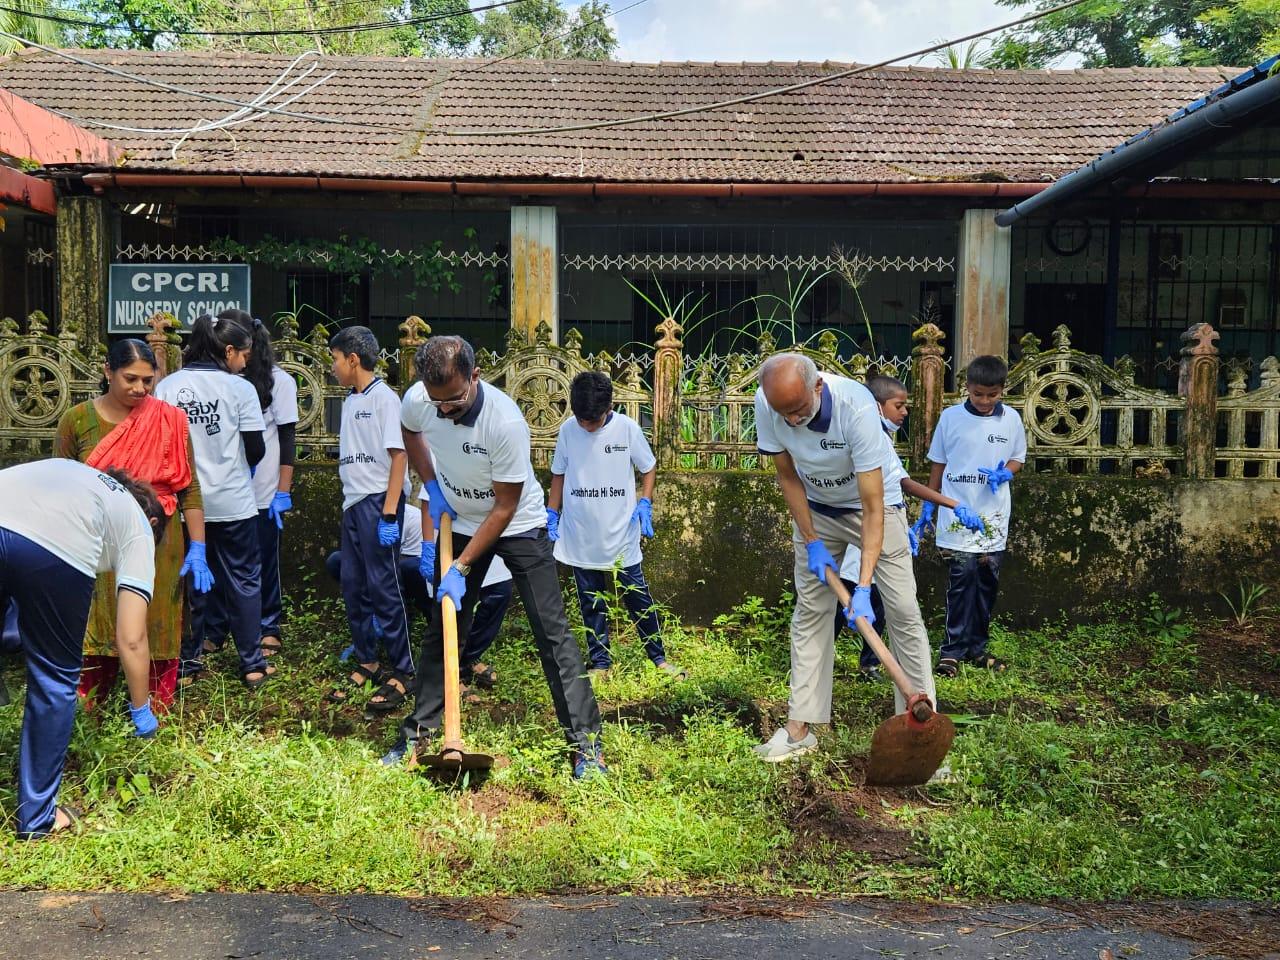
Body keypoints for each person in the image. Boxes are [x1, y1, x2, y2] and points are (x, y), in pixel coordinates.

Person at [390, 336, 605, 779]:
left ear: (475, 376)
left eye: (454, 401)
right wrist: (431, 485)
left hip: (518, 524)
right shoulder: (420, 400)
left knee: (552, 632)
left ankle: (586, 746)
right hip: (461, 519)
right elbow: (409, 431)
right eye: (436, 402)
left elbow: (504, 507)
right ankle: (419, 734)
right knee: (444, 625)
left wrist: (461, 566)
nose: (444, 411)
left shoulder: (504, 422)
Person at [750, 353, 937, 763]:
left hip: (873, 506)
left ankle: (919, 733)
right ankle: (799, 729)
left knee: (903, 610)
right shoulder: (768, 401)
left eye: (799, 410)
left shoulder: (856, 409)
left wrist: (864, 586)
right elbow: (787, 475)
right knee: (811, 610)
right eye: (784, 414)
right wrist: (812, 540)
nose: (792, 421)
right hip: (815, 509)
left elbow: (873, 507)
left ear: (817, 386)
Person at [0, 459, 165, 838]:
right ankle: (38, 820)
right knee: (55, 678)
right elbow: (132, 638)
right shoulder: (140, 526)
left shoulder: (80, 477)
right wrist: (142, 710)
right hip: (52, 547)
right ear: (154, 521)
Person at [56, 339, 212, 712]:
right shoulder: (76, 420)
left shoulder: (170, 420)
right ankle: (91, 710)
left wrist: (198, 547)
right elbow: (61, 485)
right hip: (96, 539)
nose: (140, 389)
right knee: (99, 619)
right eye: (130, 379)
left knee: (157, 622)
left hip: (159, 535)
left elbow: (189, 488)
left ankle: (155, 708)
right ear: (108, 372)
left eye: (148, 380)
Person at [832, 374, 983, 683]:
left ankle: (869, 664)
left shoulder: (883, 438)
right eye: (898, 405)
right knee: (847, 600)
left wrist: (944, 506)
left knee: (878, 602)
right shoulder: (868, 436)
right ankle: (824, 659)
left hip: (886, 527)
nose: (904, 412)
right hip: (870, 526)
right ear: (877, 406)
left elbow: (900, 482)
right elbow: (902, 485)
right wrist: (950, 504)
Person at [154, 311, 272, 688]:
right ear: (230, 351)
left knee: (188, 582)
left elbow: (163, 448)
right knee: (244, 581)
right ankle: (252, 664)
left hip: (184, 505)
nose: (246, 363)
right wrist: (236, 466)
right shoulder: (240, 389)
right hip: (233, 502)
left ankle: (187, 663)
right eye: (244, 356)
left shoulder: (168, 387)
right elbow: (256, 449)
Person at [547, 371, 684, 680]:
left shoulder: (627, 429)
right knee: (591, 600)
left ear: (609, 407)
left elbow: (648, 467)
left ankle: (659, 659)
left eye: (592, 421)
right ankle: (600, 663)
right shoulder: (568, 431)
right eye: (581, 420)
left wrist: (645, 501)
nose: (586, 426)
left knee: (637, 597)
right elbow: (559, 473)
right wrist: (552, 513)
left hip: (620, 531)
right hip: (580, 532)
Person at [324, 499, 514, 687]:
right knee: (338, 561)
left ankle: (462, 656)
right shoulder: (359, 518)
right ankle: (375, 638)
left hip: (422, 575)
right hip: (390, 575)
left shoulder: (410, 519)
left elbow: (416, 568)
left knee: (413, 571)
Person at [326, 326, 414, 713]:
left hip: (378, 502)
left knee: (384, 587)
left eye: (335, 359)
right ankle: (367, 659)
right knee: (353, 584)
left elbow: (400, 456)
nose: (332, 367)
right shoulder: (350, 401)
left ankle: (404, 669)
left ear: (353, 359)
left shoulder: (385, 400)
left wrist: (390, 511)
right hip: (353, 503)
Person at [924, 355, 1027, 678]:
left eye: (992, 395)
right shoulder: (950, 418)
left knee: (986, 583)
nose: (984, 401)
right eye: (978, 394)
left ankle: (977, 648)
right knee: (961, 580)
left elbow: (1017, 458)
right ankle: (951, 651)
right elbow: (938, 463)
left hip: (992, 516)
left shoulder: (1011, 420)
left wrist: (1006, 473)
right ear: (966, 387)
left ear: (1002, 390)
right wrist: (929, 504)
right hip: (956, 513)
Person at [243, 318, 298, 658]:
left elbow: (288, 438)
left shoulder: (280, 382)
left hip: (265, 488)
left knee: (265, 560)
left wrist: (283, 490)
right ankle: (229, 626)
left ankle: (269, 625)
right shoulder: (228, 380)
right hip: (230, 490)